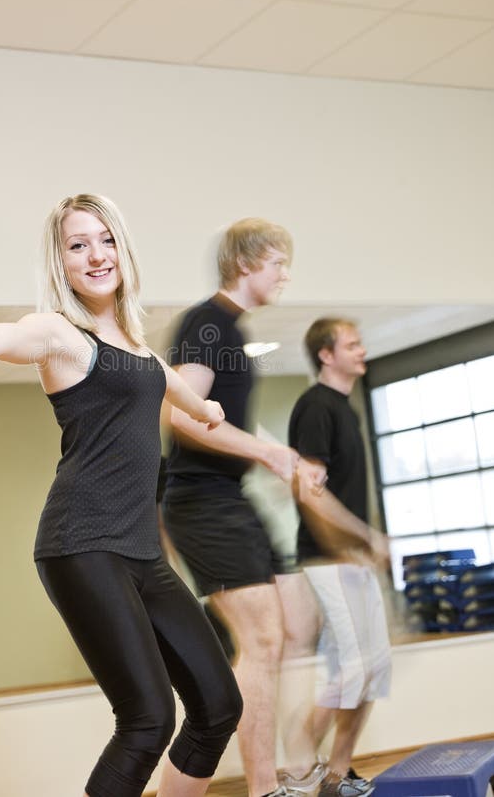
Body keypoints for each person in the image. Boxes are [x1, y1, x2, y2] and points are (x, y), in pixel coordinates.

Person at [0, 193, 243, 797]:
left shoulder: (137, 349)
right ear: (60, 262)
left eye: (106, 239)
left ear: (123, 248)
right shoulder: (61, 335)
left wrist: (205, 408)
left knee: (219, 704)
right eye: (78, 244)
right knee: (147, 721)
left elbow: (166, 384)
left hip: (142, 553)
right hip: (82, 545)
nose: (96, 255)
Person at [161, 217, 324, 797]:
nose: (285, 274)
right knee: (261, 640)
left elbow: (219, 416)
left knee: (289, 628)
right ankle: (263, 789)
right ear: (247, 262)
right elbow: (181, 415)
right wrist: (264, 452)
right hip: (202, 500)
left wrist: (279, 455)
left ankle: (287, 773)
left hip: (227, 497)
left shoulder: (229, 331)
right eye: (278, 262)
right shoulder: (208, 324)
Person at [286, 318, 391, 797]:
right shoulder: (316, 408)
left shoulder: (347, 410)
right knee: (352, 669)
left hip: (355, 561)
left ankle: (337, 776)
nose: (361, 349)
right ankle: (298, 766)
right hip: (328, 561)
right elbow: (311, 495)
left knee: (372, 669)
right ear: (327, 355)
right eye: (353, 343)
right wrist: (364, 534)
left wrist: (365, 546)